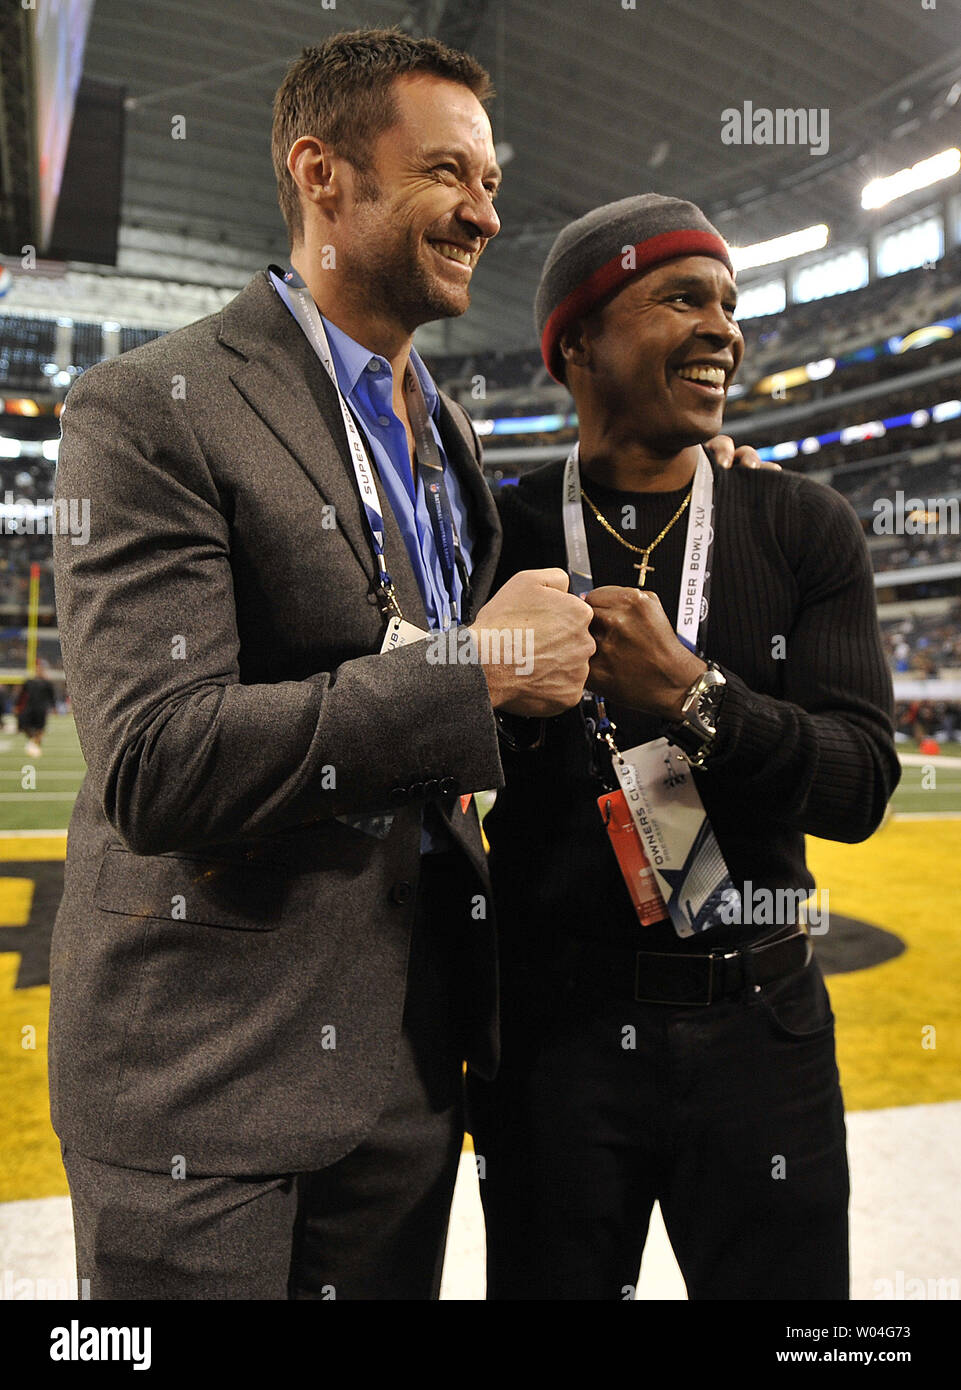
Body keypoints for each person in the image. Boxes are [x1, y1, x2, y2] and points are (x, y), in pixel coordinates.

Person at [49, 27, 596, 1301]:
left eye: (491, 181)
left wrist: (697, 462)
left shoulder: (446, 433)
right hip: (208, 1081)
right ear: (322, 173)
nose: (484, 212)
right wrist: (472, 670)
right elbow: (158, 764)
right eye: (447, 172)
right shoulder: (150, 404)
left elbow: (453, 714)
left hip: (407, 1065)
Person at [468, 193, 902, 1301]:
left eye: (729, 304)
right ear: (576, 343)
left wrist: (695, 696)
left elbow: (860, 783)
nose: (723, 330)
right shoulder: (497, 532)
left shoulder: (800, 522)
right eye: (680, 299)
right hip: (555, 1043)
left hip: (761, 1032)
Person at [15, 658, 57, 757]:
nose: (39, 670)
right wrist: (17, 705)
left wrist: (54, 707)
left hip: (41, 708)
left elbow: (51, 696)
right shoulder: (29, 682)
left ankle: (36, 746)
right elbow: (22, 695)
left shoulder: (47, 683)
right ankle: (33, 741)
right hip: (30, 707)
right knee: (24, 726)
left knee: (40, 728)